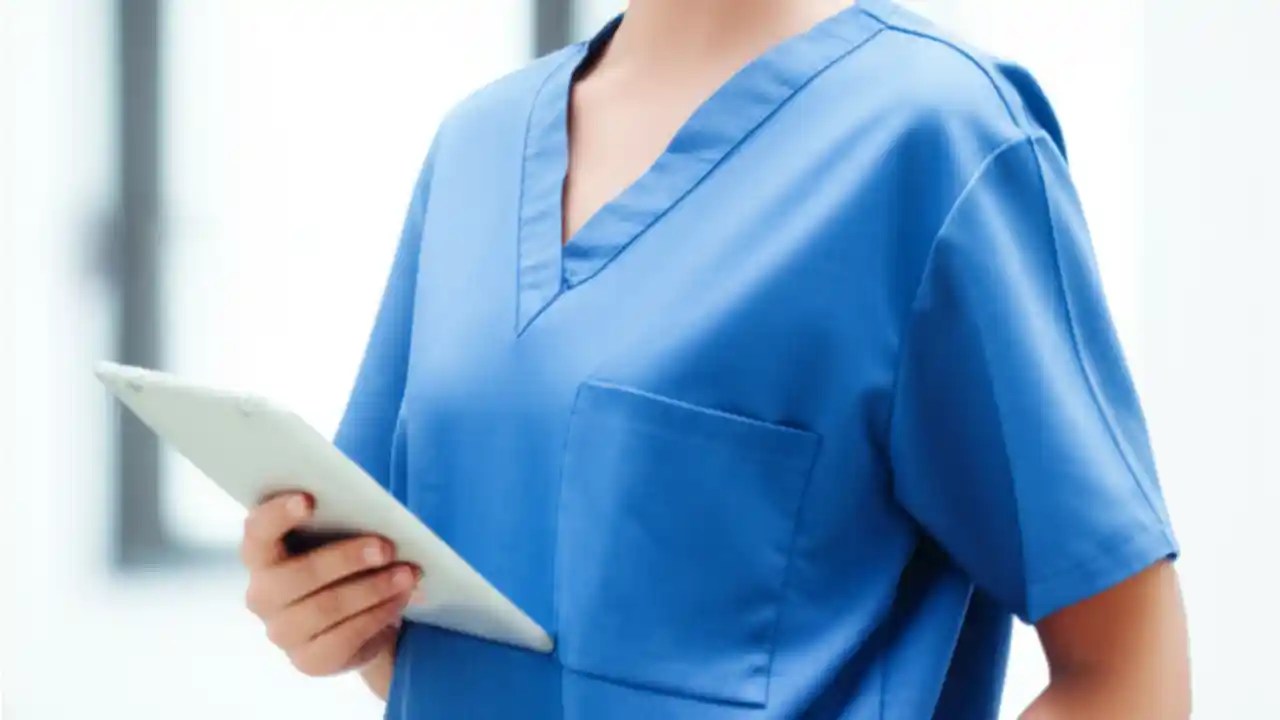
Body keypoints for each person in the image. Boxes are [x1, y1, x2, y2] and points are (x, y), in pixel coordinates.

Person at [237, 1, 1190, 717]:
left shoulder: (932, 137)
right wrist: (336, 618)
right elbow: (448, 650)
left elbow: (1130, 673)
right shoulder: (475, 149)